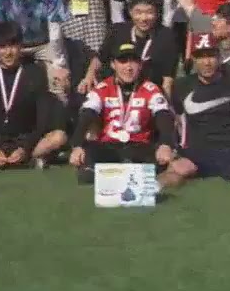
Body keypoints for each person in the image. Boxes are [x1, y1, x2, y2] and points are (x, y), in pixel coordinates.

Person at [69, 41, 177, 184]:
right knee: (86, 168)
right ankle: (121, 173)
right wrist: (77, 145)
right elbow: (87, 115)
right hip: (108, 146)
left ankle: (119, 173)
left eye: (133, 61)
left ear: (140, 64)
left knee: (160, 162)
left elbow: (163, 116)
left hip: (140, 146)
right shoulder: (102, 88)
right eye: (123, 61)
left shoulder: (151, 89)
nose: (128, 67)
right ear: (113, 64)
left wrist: (165, 144)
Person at [161, 41, 230, 188]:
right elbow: (177, 120)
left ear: (219, 58)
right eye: (201, 57)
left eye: (211, 56)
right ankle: (146, 194)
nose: (207, 62)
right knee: (174, 172)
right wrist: (173, 148)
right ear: (194, 59)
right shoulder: (181, 85)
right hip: (197, 152)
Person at [0, 22, 68, 169]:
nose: (8, 52)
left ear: (20, 46)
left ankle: (23, 159)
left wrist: (25, 147)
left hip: (25, 141)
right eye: (2, 47)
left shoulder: (35, 73)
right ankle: (10, 161)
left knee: (59, 137)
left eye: (12, 46)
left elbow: (41, 119)